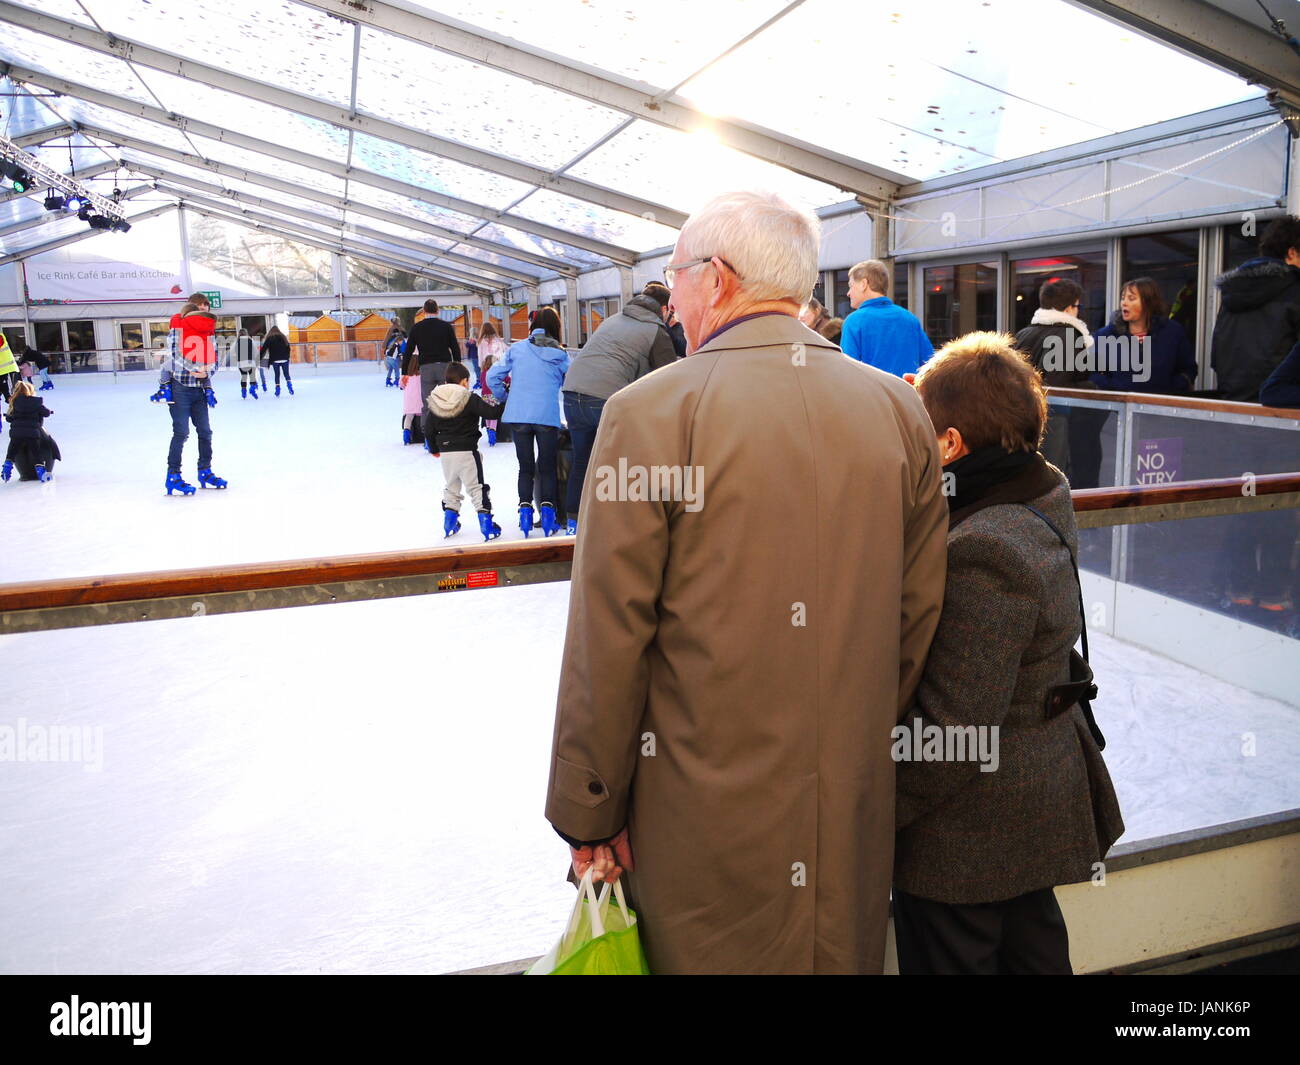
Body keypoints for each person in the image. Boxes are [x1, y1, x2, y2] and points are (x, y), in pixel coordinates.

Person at [543, 189, 948, 974]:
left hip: (696, 808)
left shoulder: (650, 412)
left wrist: (589, 807)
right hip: (848, 804)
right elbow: (916, 611)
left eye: (676, 279)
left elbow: (609, 632)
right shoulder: (899, 410)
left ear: (718, 280)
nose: (671, 308)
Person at [893, 332, 1124, 975]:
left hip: (970, 832)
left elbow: (956, 733)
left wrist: (878, 808)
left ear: (951, 445)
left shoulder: (984, 546)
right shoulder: (1037, 485)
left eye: (922, 427)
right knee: (1034, 951)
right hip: (1033, 795)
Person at [560, 282, 678, 535]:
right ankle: (616, 524)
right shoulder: (655, 330)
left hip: (572, 393)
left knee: (583, 459)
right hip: (604, 399)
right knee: (621, 461)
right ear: (665, 308)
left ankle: (574, 520)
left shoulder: (613, 319)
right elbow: (669, 376)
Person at [1011, 278, 1105, 488]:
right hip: (1057, 425)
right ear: (1070, 307)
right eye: (1077, 306)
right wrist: (1091, 388)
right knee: (1052, 484)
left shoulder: (1024, 333)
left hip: (1023, 423)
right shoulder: (1070, 336)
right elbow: (1058, 387)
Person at [486, 320, 568, 537]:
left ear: (532, 332)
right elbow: (571, 380)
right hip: (546, 416)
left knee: (525, 467)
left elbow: (492, 376)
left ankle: (524, 511)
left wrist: (504, 395)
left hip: (519, 415)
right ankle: (549, 515)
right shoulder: (560, 354)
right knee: (547, 467)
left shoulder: (517, 349)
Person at [1211, 215, 1300, 401]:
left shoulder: (1233, 292)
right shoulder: (1295, 288)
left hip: (1231, 408)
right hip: (1282, 410)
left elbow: (1216, 356)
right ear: (1292, 252)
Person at [154, 293, 226, 495]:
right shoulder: (179, 327)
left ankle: (205, 470)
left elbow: (215, 358)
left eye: (207, 305)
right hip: (180, 389)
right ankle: (173, 475)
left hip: (199, 389)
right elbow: (174, 355)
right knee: (181, 433)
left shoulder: (209, 331)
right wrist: (195, 368)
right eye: (200, 304)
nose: (205, 307)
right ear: (191, 306)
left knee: (205, 432)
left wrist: (207, 372)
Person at [427, 362, 504, 542]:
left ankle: (449, 522)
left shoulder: (436, 399)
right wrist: (504, 402)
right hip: (467, 451)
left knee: (452, 486)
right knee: (476, 488)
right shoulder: (468, 398)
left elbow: (428, 429)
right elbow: (491, 413)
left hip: (446, 453)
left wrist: (434, 449)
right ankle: (486, 524)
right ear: (463, 381)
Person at [1092, 277, 1196, 394]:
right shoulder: (1105, 335)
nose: (1124, 303)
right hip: (1120, 407)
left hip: (1162, 408)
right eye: (1122, 298)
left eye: (1131, 298)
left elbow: (1189, 368)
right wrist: (1113, 387)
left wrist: (1172, 387)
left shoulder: (1173, 332)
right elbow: (1092, 371)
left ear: (1148, 302)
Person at [839, 259, 932, 375]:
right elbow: (930, 364)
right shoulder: (910, 319)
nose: (848, 293)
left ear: (863, 284)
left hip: (872, 392)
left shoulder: (854, 322)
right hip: (906, 391)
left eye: (851, 286)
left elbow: (848, 371)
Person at [405, 299, 461, 416]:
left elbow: (408, 350)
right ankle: (447, 429)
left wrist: (404, 371)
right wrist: (457, 366)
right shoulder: (446, 326)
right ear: (438, 310)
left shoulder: (417, 328)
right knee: (446, 401)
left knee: (427, 402)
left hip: (426, 367)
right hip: (445, 367)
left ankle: (427, 430)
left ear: (424, 311)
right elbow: (455, 348)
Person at [2, 379, 60, 482]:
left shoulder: (14, 403)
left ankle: (6, 468)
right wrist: (49, 412)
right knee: (36, 453)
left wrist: (9, 417)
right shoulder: (35, 402)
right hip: (32, 434)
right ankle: (41, 473)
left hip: (17, 434)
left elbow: (9, 418)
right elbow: (45, 413)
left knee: (11, 452)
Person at [477, 321, 507, 445]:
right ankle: (496, 430)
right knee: (497, 405)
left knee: (488, 409)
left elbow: (480, 360)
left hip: (486, 372)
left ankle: (489, 429)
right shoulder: (499, 341)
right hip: (498, 370)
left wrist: (482, 369)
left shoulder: (481, 343)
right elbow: (505, 353)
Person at [259, 326, 293, 396]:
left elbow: (263, 349)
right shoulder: (283, 337)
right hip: (285, 359)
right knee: (286, 374)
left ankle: (277, 389)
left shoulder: (269, 338)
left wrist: (259, 358)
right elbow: (288, 348)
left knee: (277, 375)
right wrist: (287, 357)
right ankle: (289, 385)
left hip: (275, 360)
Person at [234, 329, 260, 400]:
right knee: (252, 376)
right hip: (250, 361)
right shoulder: (250, 340)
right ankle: (252, 389)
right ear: (246, 333)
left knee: (244, 377)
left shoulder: (237, 342)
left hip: (241, 363)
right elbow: (255, 351)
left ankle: (243, 392)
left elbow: (235, 353)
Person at [0, 329, 18, 407]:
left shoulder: (0, 337)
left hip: (6, 371)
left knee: (10, 396)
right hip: (3, 371)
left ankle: (18, 414)